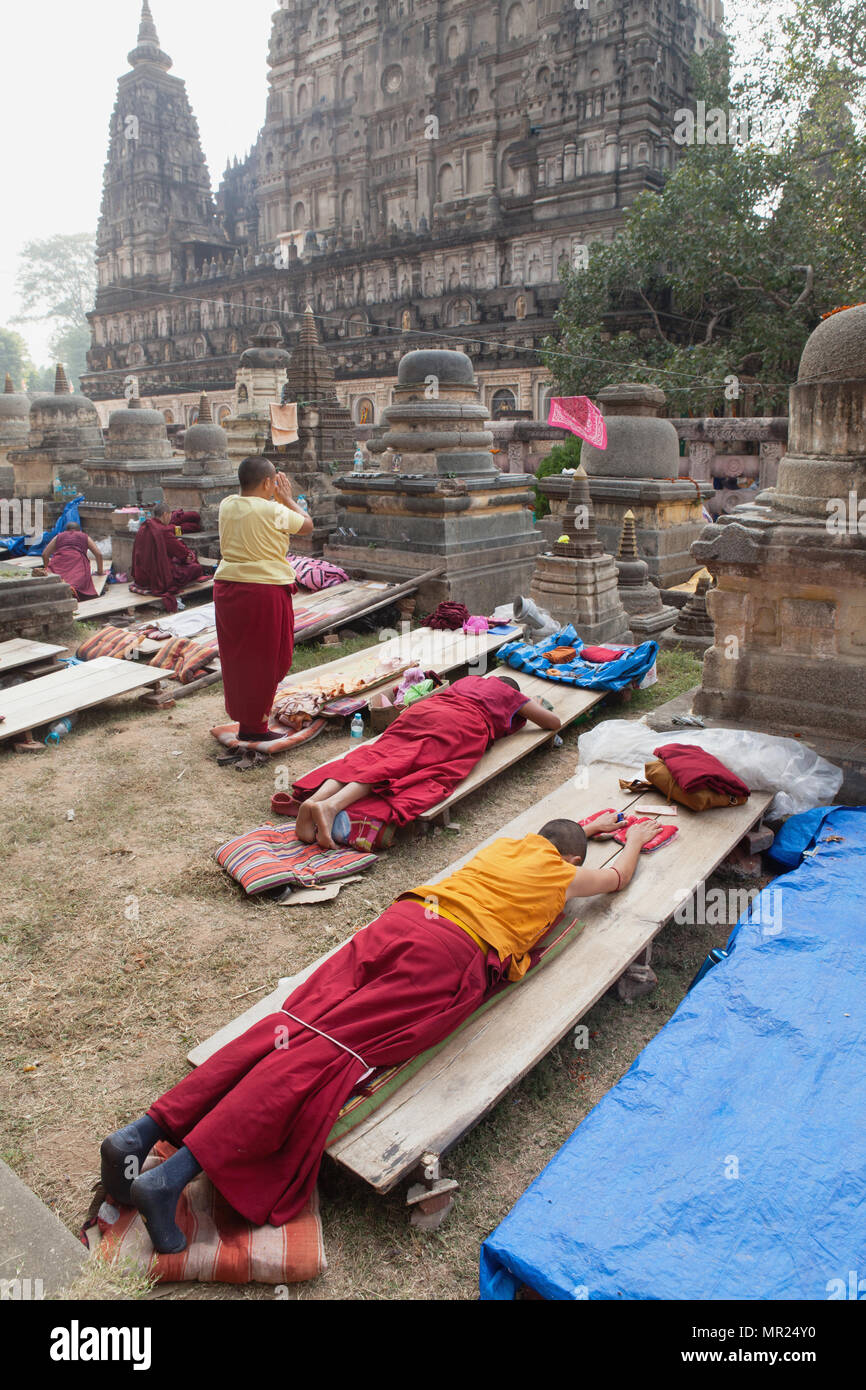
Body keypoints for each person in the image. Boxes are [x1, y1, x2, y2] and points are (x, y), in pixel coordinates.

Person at [99, 813, 658, 1252]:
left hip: (404, 920)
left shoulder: (509, 846)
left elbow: (555, 840)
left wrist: (584, 828)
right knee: (330, 1054)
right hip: (445, 953)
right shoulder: (563, 872)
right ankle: (170, 1177)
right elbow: (616, 878)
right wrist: (636, 838)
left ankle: (142, 1133)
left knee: (295, 1028)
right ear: (573, 857)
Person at [294, 674, 562, 848]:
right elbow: (553, 722)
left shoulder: (469, 680)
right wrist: (531, 702)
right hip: (458, 725)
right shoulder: (510, 694)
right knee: (398, 766)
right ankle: (331, 807)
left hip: (423, 711)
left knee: (376, 755)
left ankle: (316, 799)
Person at [213, 457, 313, 743]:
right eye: (273, 483)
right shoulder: (274, 511)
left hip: (228, 588)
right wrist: (287, 498)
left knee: (239, 660)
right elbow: (307, 525)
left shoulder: (227, 505)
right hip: (263, 590)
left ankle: (249, 720)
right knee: (266, 659)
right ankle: (254, 728)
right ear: (269, 483)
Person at [130, 501, 207, 612]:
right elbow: (183, 553)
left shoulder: (144, 527)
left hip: (140, 577)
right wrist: (190, 556)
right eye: (170, 515)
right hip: (156, 579)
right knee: (196, 568)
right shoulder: (162, 531)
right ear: (165, 514)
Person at [42, 523, 104, 600]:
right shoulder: (84, 536)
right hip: (77, 560)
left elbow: (45, 554)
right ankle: (71, 590)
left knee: (56, 579)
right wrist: (100, 572)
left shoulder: (59, 536)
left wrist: (47, 572)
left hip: (59, 561)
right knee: (77, 580)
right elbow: (98, 554)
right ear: (79, 530)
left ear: (66, 530)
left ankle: (62, 589)